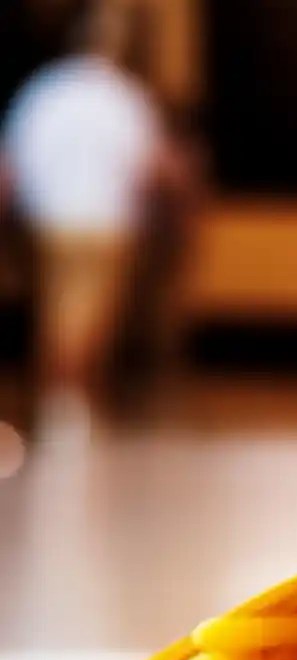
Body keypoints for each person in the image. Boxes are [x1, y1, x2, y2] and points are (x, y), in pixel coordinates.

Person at [1, 0, 159, 398]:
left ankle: (55, 397)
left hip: (50, 220)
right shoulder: (127, 97)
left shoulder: (44, 88)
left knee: (55, 315)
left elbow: (12, 165)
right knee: (91, 319)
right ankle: (71, 398)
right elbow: (146, 172)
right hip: (108, 224)